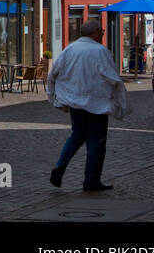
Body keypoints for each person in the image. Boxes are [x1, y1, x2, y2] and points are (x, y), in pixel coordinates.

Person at [46, 19, 128, 191]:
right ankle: (91, 180)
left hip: (76, 104)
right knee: (96, 143)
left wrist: (53, 97)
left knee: (76, 136)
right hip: (96, 104)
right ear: (95, 32)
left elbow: (53, 74)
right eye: (102, 32)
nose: (103, 35)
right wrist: (121, 104)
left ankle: (60, 167)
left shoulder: (69, 49)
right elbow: (113, 78)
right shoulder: (100, 51)